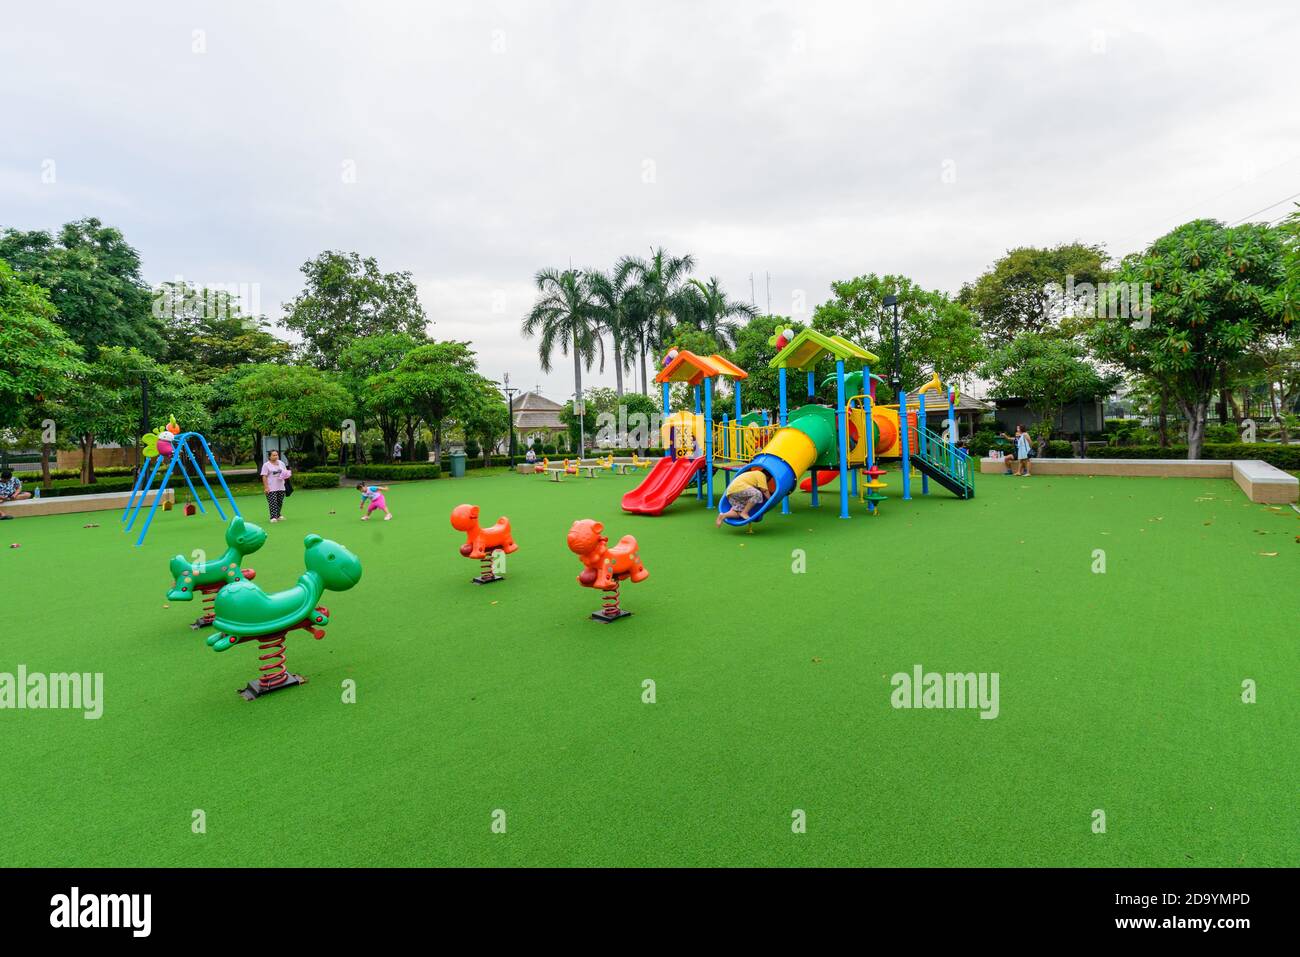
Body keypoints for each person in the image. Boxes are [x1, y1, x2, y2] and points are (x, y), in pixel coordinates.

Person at [260, 449, 292, 522]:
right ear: (269, 457)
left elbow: (285, 472)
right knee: (273, 502)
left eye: (276, 455)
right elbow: (264, 476)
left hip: (281, 486)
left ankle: (278, 515)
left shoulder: (281, 463)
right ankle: (273, 517)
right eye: (273, 455)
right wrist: (266, 487)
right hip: (271, 487)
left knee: (280, 501)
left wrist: (286, 474)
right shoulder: (266, 465)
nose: (275, 456)